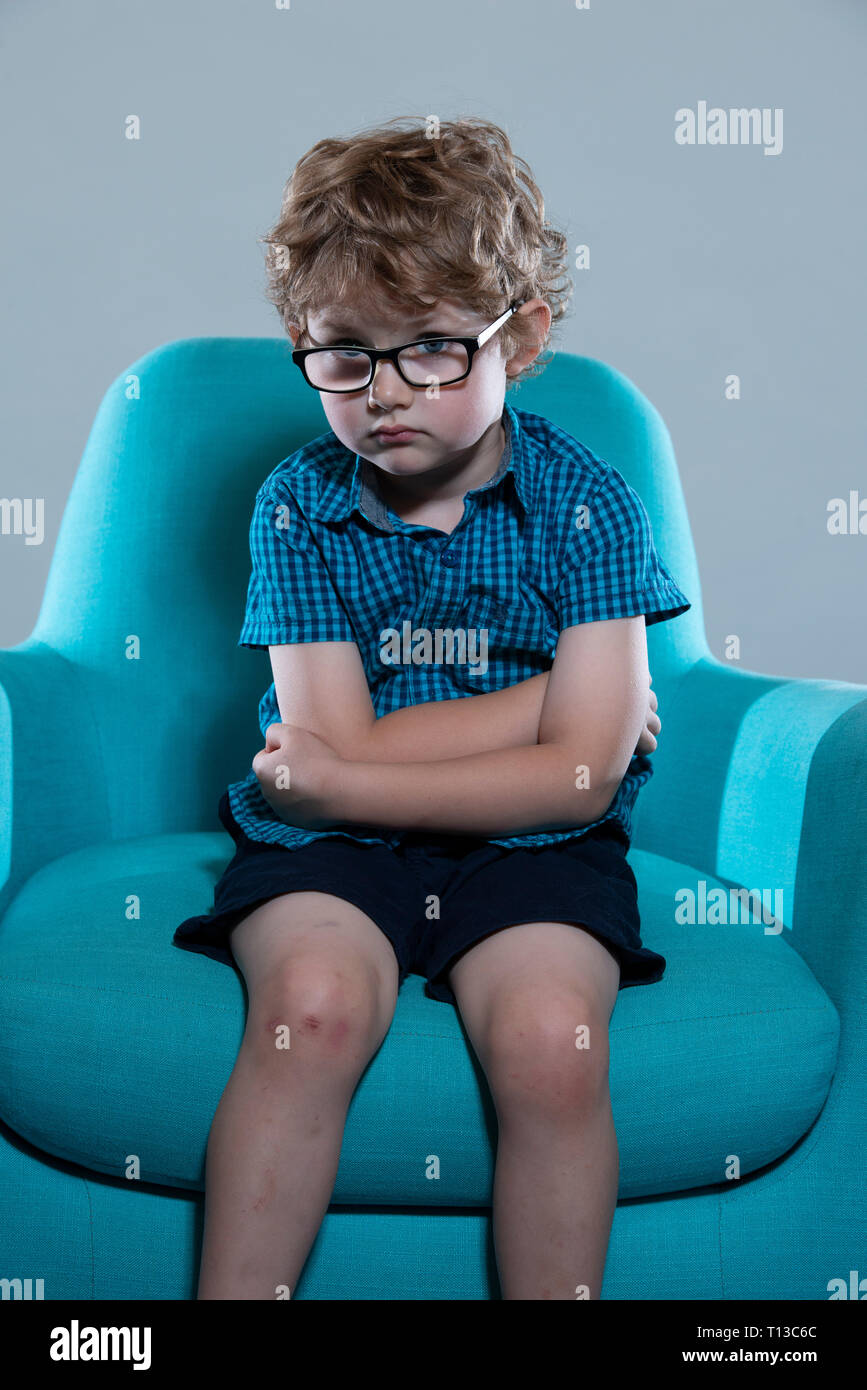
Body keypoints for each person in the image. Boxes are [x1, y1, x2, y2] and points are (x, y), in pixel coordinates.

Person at [173, 115, 691, 1300]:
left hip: (537, 842)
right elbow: (351, 747)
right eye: (345, 354)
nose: (386, 392)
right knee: (310, 1007)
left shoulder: (589, 505)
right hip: (330, 845)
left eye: (435, 351)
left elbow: (583, 779)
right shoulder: (296, 505)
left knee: (552, 1042)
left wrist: (346, 773)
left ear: (526, 335)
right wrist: (558, 703)